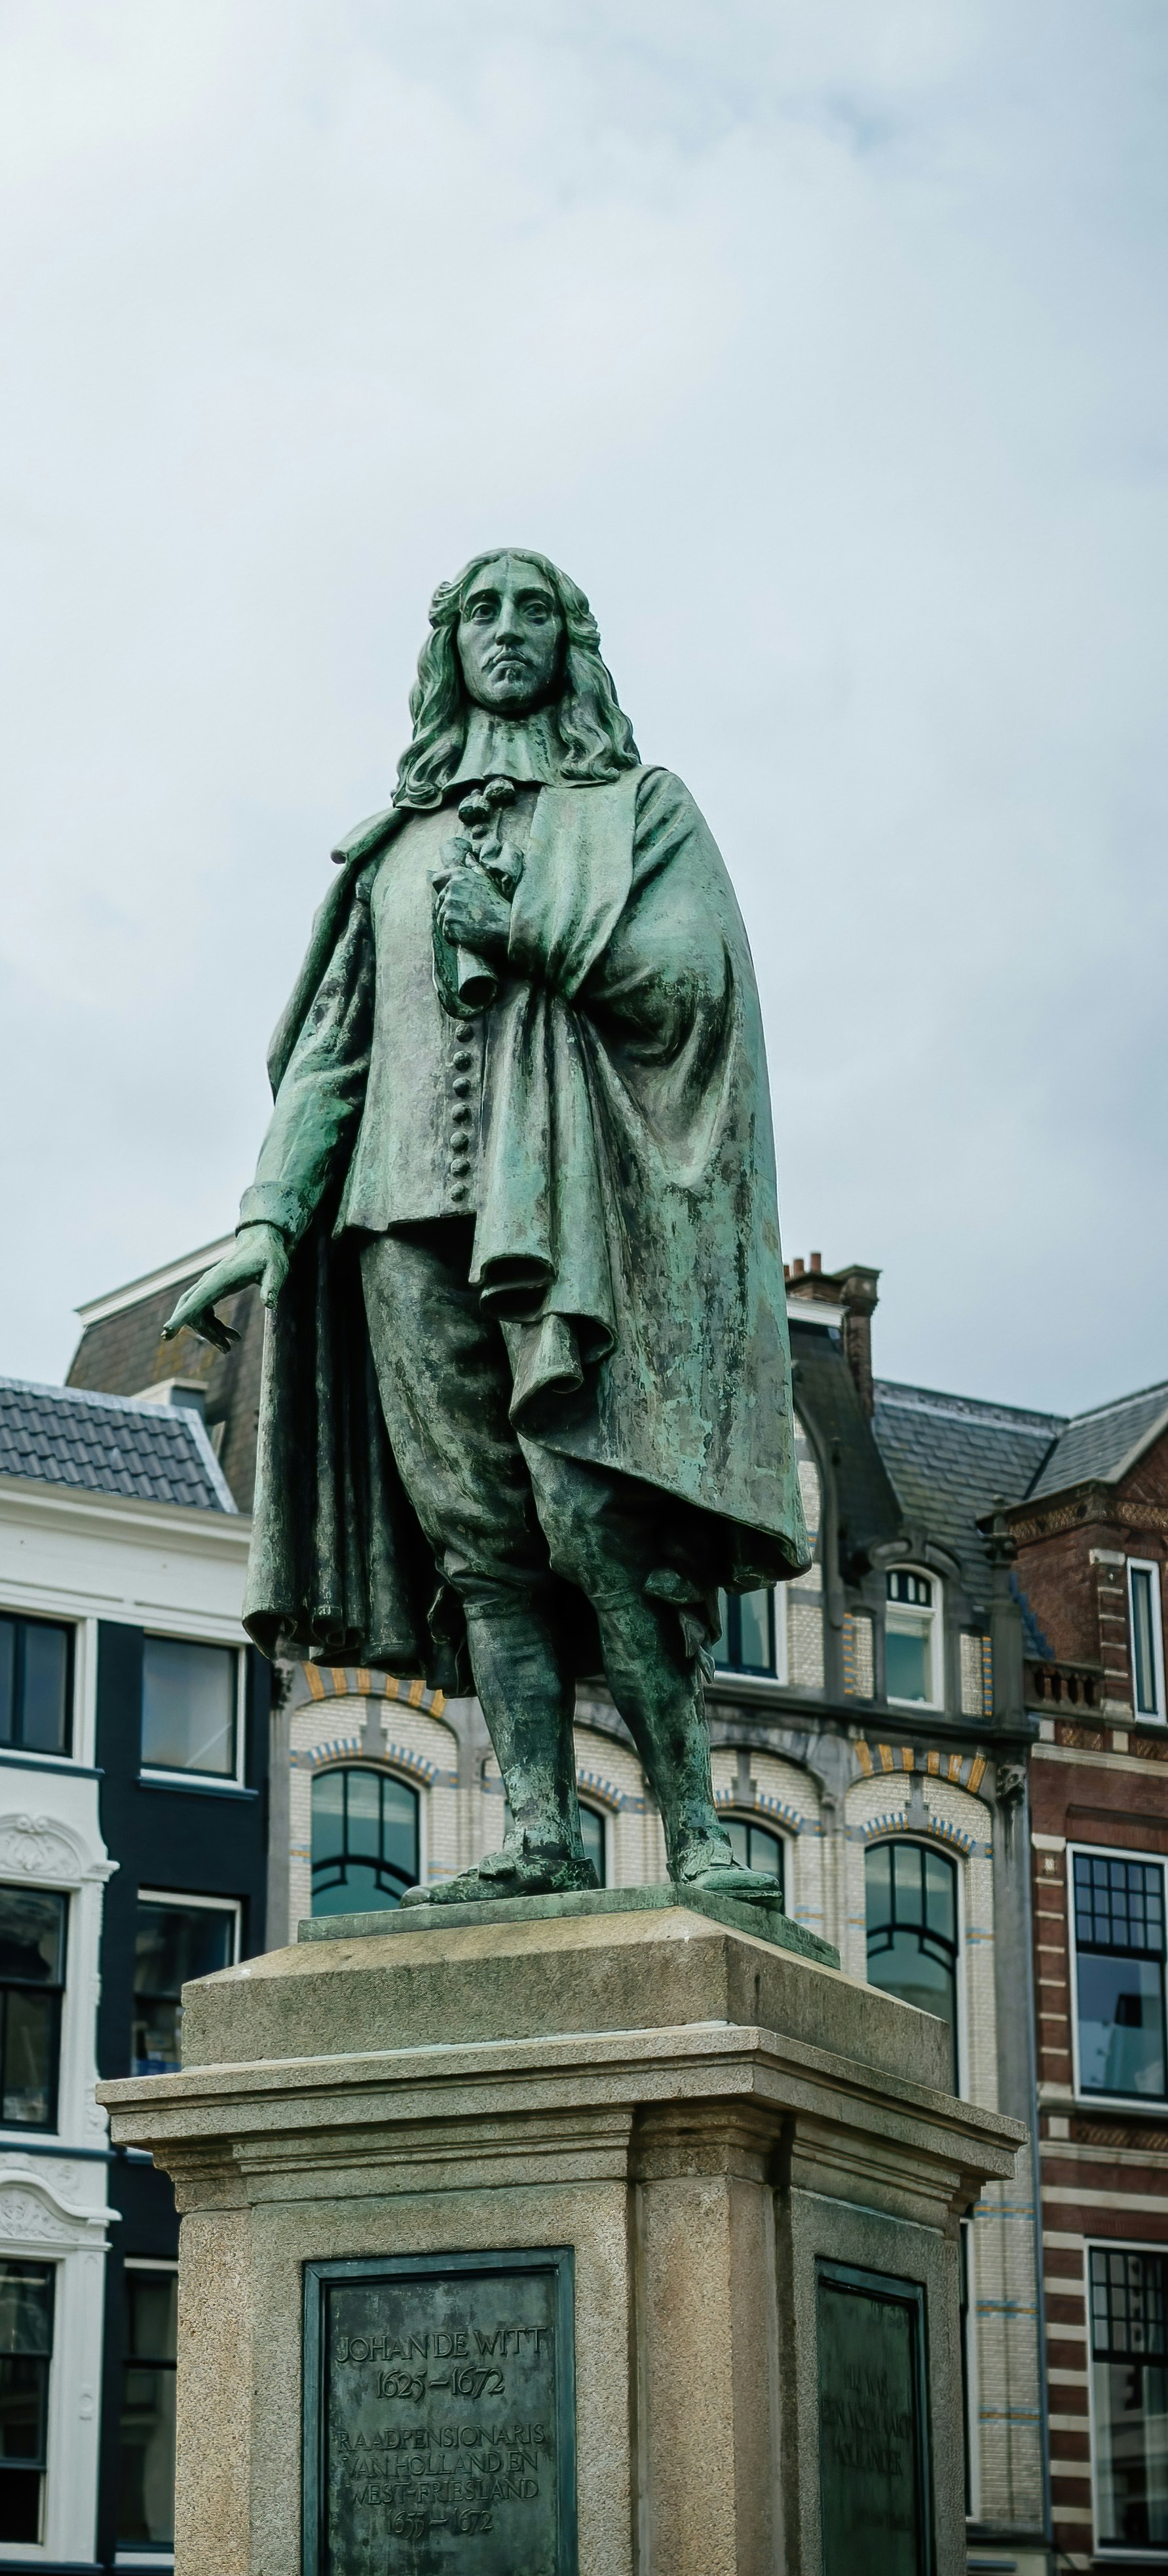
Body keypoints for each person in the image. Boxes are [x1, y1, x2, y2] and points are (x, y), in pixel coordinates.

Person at [168, 548, 806, 1905]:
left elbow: (694, 993)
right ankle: (535, 1829)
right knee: (476, 1538)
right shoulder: (389, 850)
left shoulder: (638, 810)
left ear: (571, 642)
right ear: (444, 644)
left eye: (531, 609)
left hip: (567, 1217)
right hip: (398, 1220)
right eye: (478, 609)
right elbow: (332, 1051)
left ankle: (691, 1823)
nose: (503, 631)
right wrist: (267, 1215)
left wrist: (523, 934)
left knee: (589, 1514)